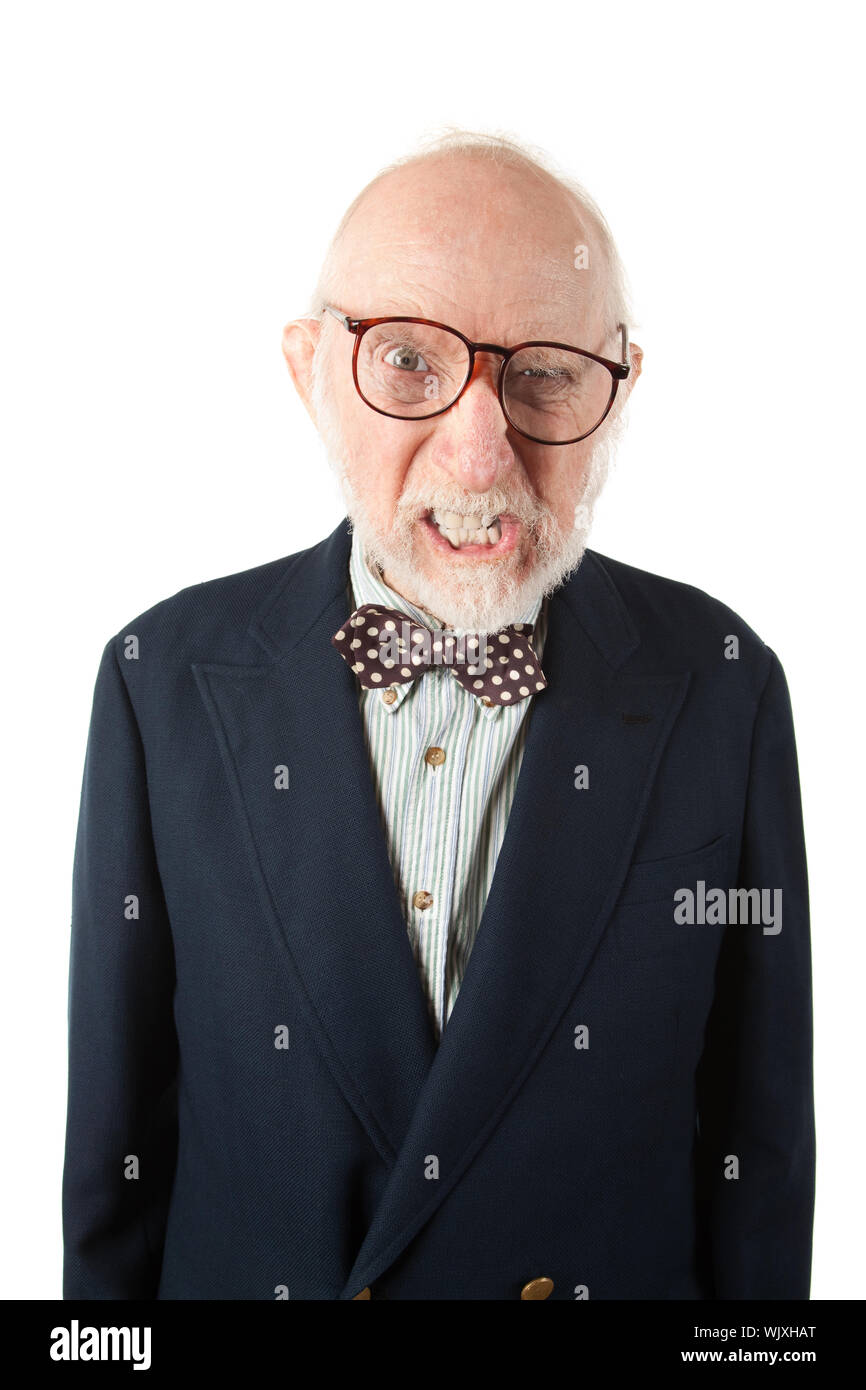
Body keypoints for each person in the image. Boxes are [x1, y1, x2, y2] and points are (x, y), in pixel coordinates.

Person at [62, 131, 814, 1300]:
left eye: (544, 373)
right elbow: (114, 1159)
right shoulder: (158, 677)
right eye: (409, 361)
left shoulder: (726, 684)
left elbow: (756, 1158)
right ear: (309, 369)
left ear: (617, 391)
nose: (478, 452)